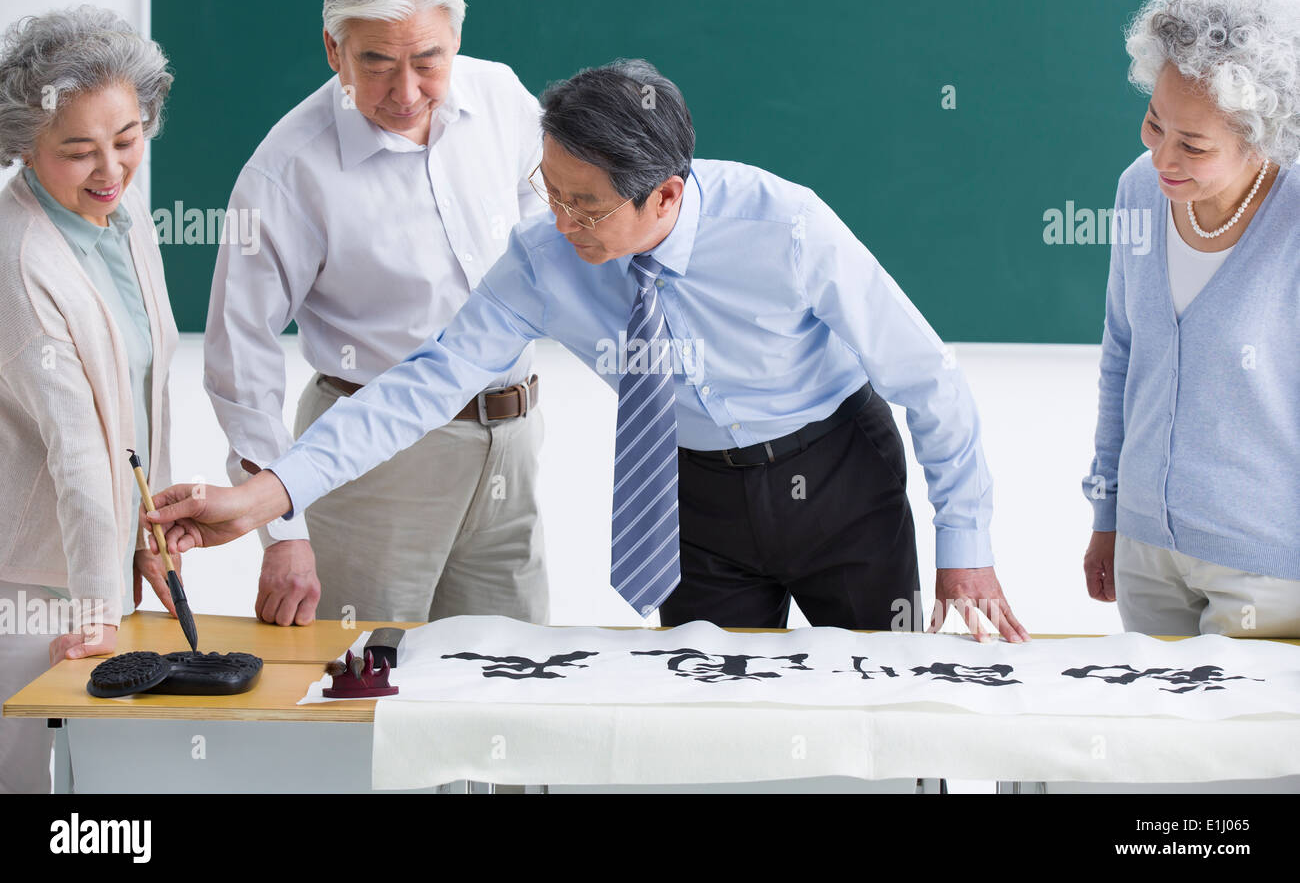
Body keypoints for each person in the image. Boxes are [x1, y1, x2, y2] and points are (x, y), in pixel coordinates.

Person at [151, 58, 1027, 642]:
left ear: (665, 194)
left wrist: (968, 543)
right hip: (693, 502)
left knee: (881, 718)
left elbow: (927, 377)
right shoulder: (543, 256)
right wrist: (269, 493)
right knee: (713, 736)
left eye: (586, 206)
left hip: (838, 478)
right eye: (550, 191)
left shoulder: (785, 225)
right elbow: (421, 384)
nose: (560, 223)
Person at [204, 0, 549, 627]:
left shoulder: (503, 98)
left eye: (429, 59)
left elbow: (550, 238)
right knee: (363, 694)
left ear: (456, 34)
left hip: (513, 443)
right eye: (377, 62)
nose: (406, 91)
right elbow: (239, 361)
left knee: (509, 681)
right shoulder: (286, 171)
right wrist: (285, 527)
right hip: (371, 463)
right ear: (334, 50)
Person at [1082, 0, 1300, 637]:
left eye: (1194, 145)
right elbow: (1123, 354)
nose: (1162, 158)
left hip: (1266, 563)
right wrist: (1109, 512)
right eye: (1155, 123)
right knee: (1148, 739)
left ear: (1259, 140)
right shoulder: (1138, 191)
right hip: (1147, 551)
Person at [0, 6, 180, 793]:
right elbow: (76, 446)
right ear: (23, 145)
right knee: (22, 779)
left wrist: (155, 536)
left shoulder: (122, 221)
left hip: (96, 569)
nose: (110, 168)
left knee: (92, 783)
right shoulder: (20, 255)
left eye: (128, 138)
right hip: (30, 583)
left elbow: (145, 391)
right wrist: (96, 611)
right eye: (79, 150)